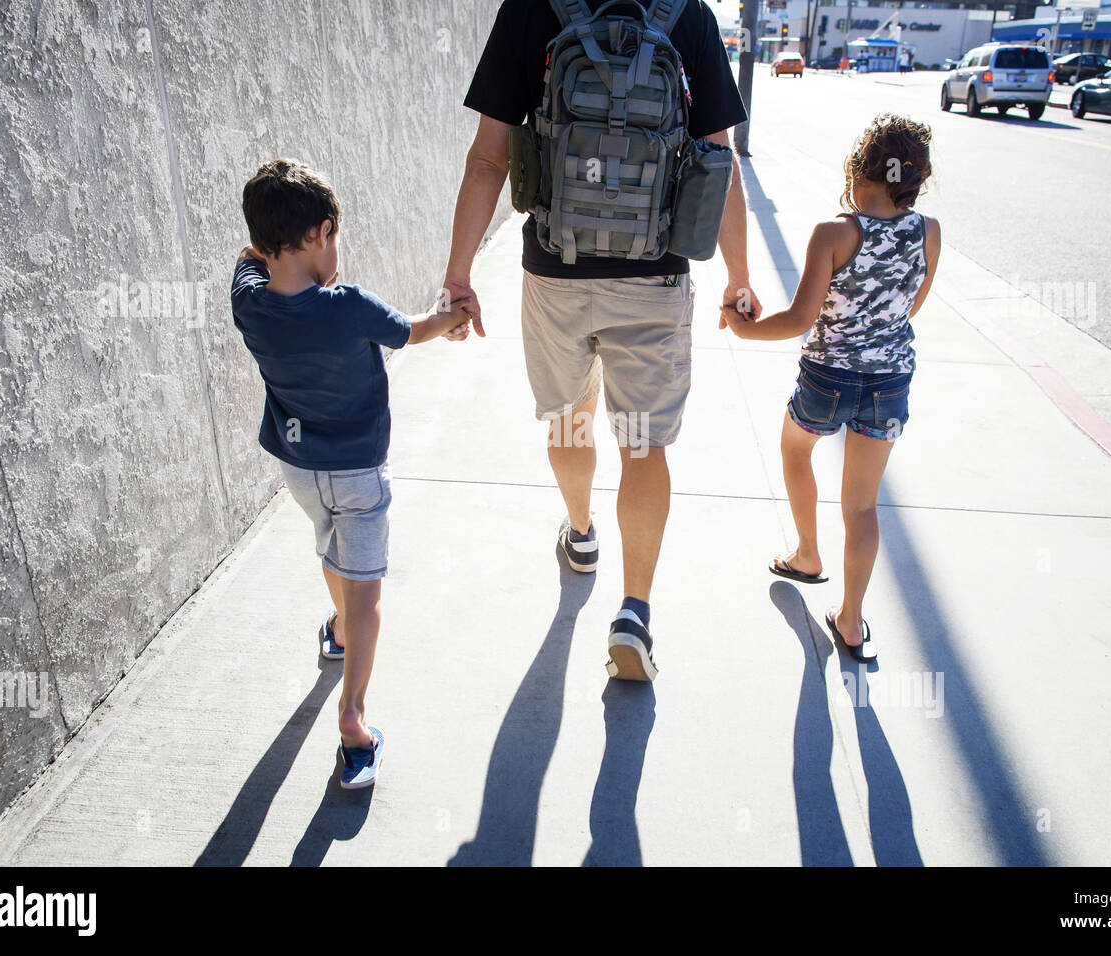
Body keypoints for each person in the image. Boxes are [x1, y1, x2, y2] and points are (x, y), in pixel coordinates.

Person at [444, 0, 760, 682]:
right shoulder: (689, 16)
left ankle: (581, 530)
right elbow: (717, 160)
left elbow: (486, 158)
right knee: (642, 445)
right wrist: (738, 278)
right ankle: (634, 612)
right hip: (654, 274)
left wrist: (459, 275)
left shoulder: (534, 9)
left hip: (557, 271)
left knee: (566, 418)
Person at [231, 159, 472, 787]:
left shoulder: (250, 305)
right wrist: (454, 317)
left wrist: (260, 247)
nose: (336, 251)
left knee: (331, 552)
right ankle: (353, 717)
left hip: (301, 472)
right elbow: (412, 332)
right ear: (322, 230)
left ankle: (337, 631)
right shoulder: (350, 308)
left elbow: (247, 262)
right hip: (359, 470)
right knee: (367, 589)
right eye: (334, 238)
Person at [720, 113, 941, 663]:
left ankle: (807, 554)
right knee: (862, 506)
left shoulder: (835, 233)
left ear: (857, 168)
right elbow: (912, 305)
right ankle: (851, 620)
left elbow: (799, 319)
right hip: (890, 378)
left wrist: (747, 329)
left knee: (796, 449)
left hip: (828, 376)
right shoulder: (927, 232)